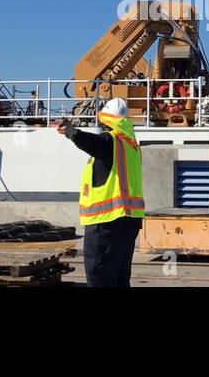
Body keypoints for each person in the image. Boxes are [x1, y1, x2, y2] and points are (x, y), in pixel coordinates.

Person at [57, 98, 145, 287]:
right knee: (120, 278)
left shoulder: (110, 141)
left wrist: (73, 133)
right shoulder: (131, 145)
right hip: (129, 221)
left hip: (106, 223)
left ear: (106, 120)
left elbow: (94, 143)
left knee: (100, 275)